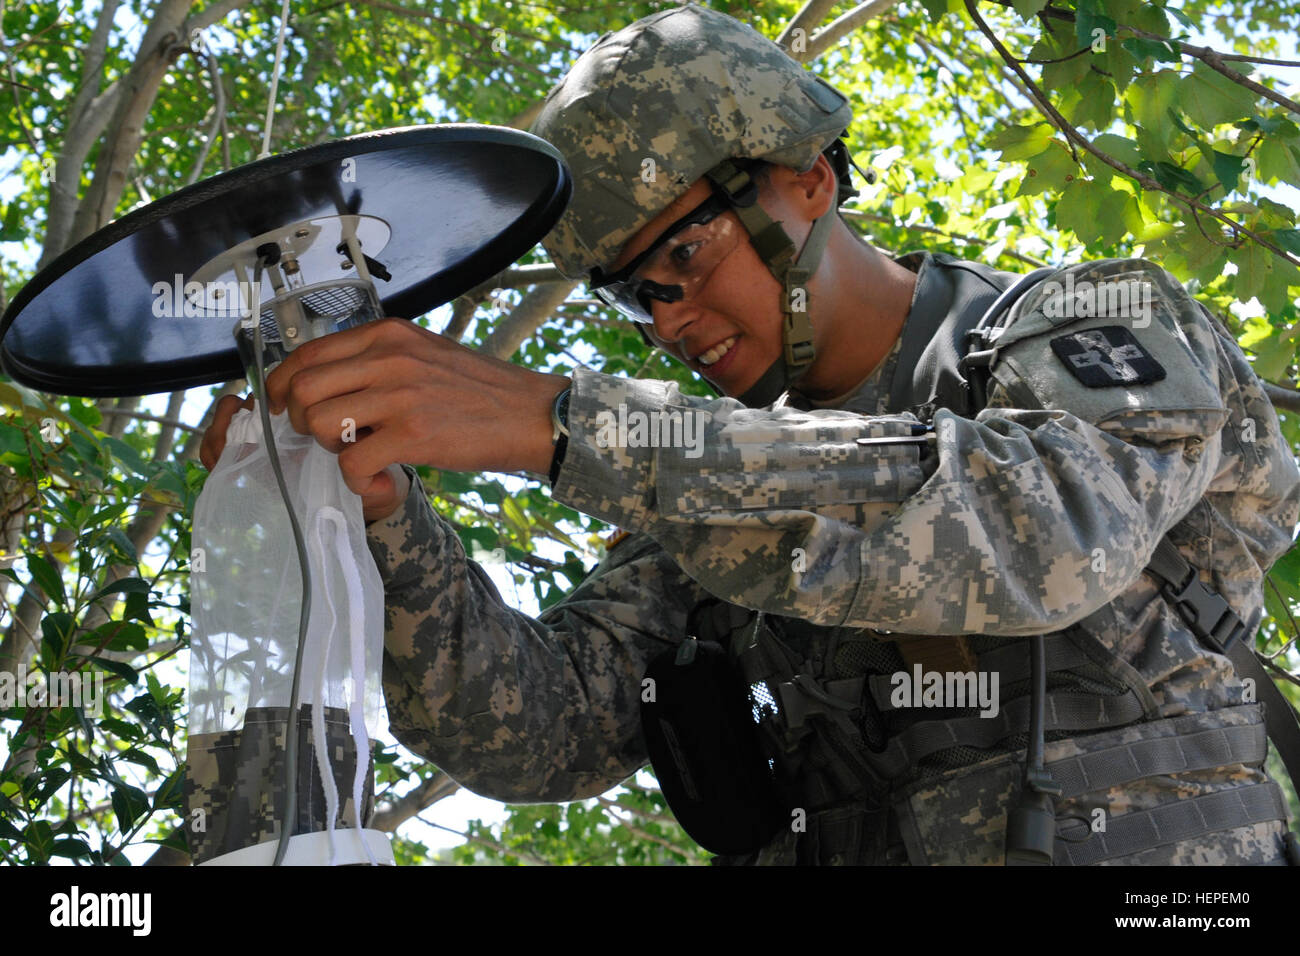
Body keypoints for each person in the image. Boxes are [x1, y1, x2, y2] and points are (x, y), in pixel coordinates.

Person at [200, 4, 1300, 864]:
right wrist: (385, 518)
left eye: (684, 256)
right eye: (634, 296)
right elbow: (542, 730)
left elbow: (1045, 534)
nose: (670, 321)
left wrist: (566, 426)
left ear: (808, 179)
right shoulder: (712, 486)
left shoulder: (1086, 320)